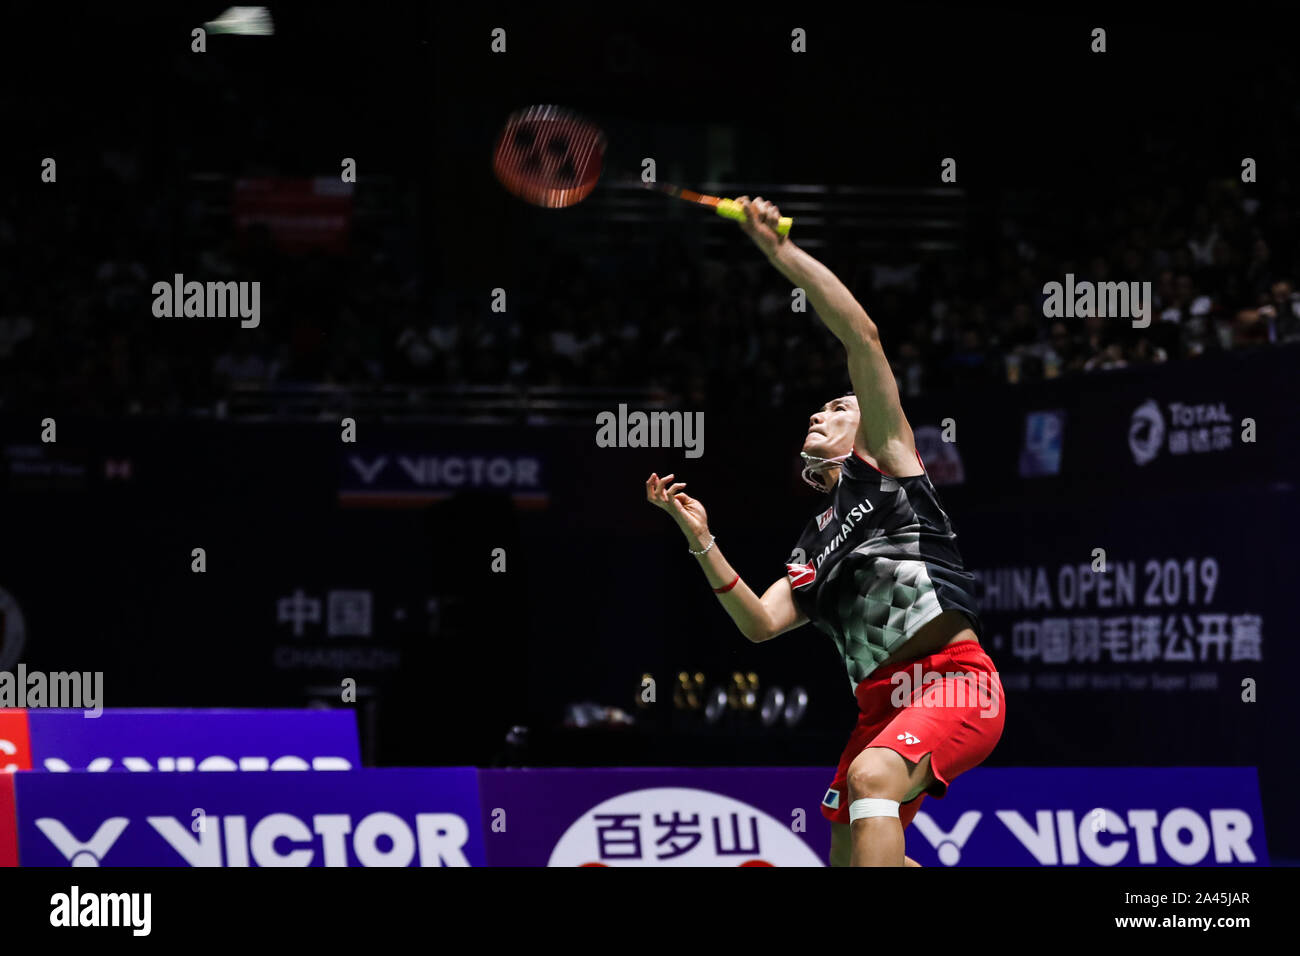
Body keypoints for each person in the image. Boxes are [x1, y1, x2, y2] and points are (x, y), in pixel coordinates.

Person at [645, 197, 1004, 867]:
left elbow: (860, 335)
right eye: (820, 406)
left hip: (953, 682)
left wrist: (780, 255)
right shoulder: (811, 547)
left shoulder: (889, 467)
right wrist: (700, 537)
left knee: (872, 781)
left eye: (839, 406)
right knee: (852, 855)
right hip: (878, 712)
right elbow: (757, 624)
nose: (822, 411)